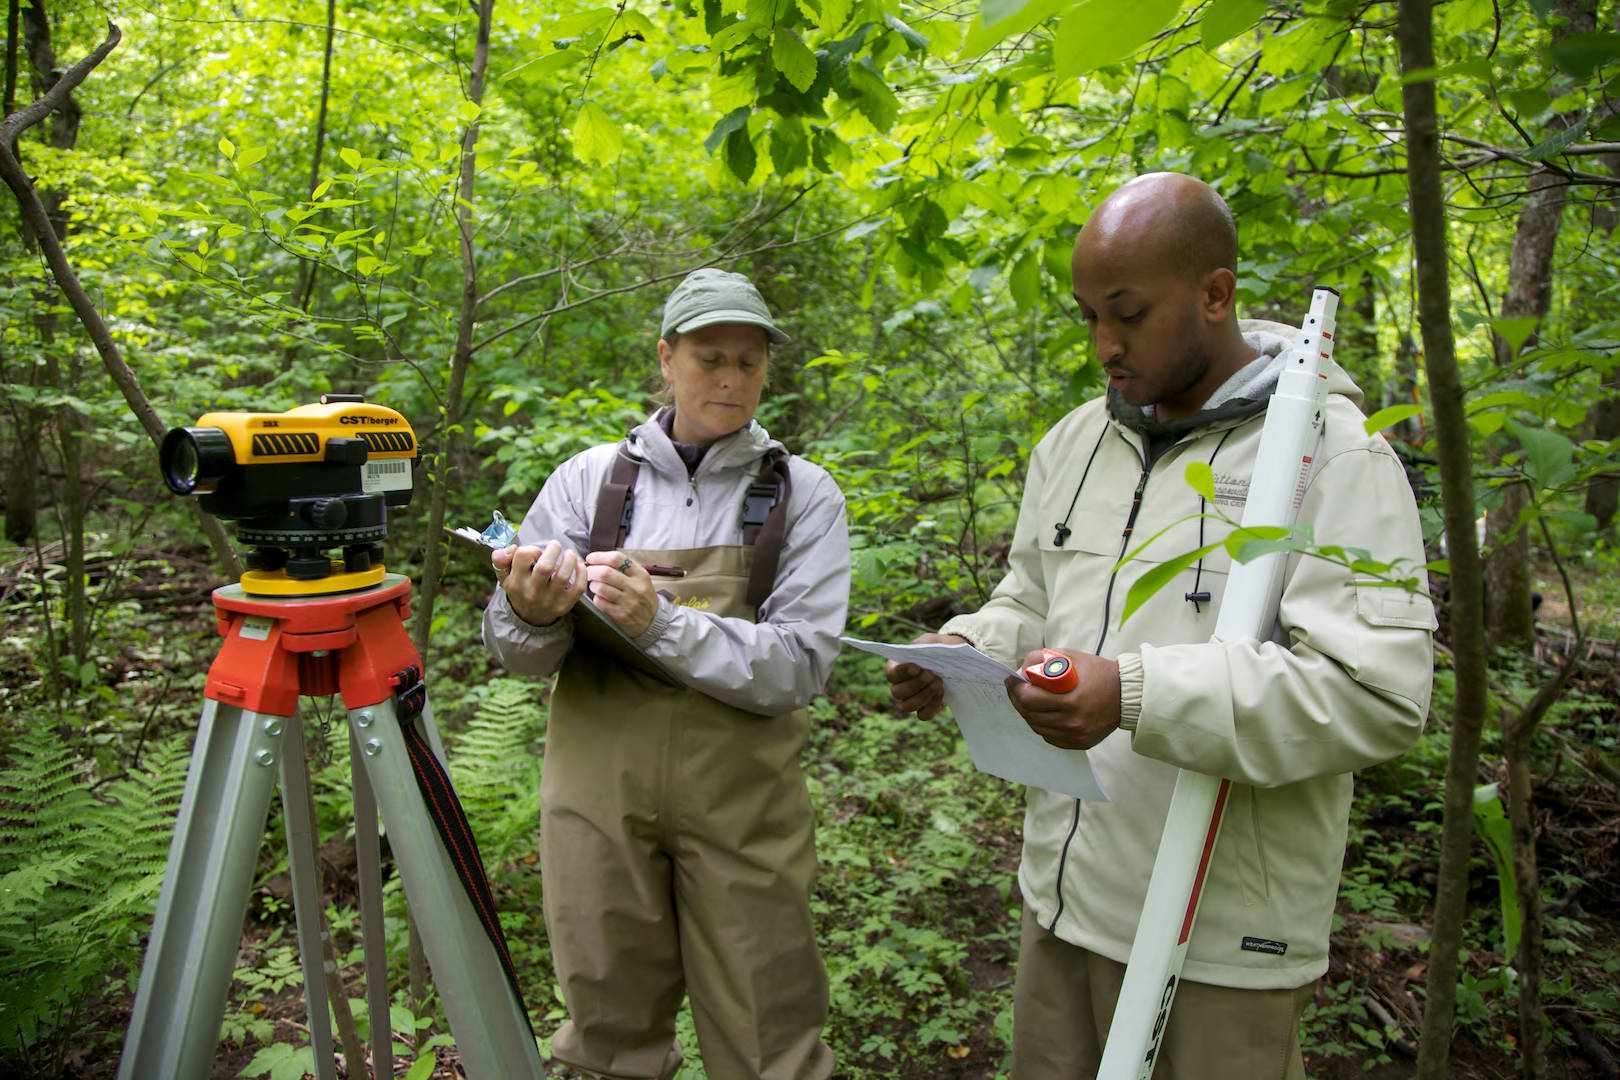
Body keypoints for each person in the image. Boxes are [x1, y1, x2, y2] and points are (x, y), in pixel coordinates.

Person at [886, 173, 1436, 1079]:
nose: (1104, 345)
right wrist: (964, 650)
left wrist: (1134, 693)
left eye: (1128, 314)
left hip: (1217, 946)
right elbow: (1031, 602)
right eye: (1087, 316)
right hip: (1059, 906)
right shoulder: (1073, 445)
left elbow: (1374, 695)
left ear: (1215, 294)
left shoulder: (1331, 457)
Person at [483, 268, 848, 1080]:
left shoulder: (802, 496)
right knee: (608, 1033)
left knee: (769, 1034)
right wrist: (532, 611)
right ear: (666, 358)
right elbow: (515, 654)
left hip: (744, 804)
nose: (731, 378)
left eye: (750, 363)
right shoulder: (590, 483)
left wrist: (661, 622)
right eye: (710, 357)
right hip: (596, 800)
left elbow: (799, 666)